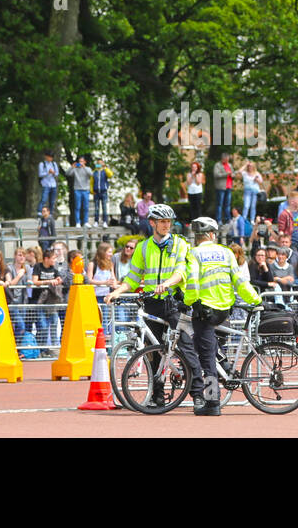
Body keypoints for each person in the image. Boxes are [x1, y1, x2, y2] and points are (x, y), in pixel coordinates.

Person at [105, 204, 202, 405]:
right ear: (152, 223)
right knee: (154, 351)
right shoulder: (143, 247)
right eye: (163, 222)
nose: (167, 225)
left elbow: (181, 271)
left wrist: (166, 284)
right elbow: (133, 278)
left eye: (169, 221)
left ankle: (199, 394)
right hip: (152, 304)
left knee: (185, 347)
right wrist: (117, 291)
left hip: (174, 303)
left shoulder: (180, 244)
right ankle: (157, 396)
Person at [182, 217, 263, 416]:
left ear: (197, 236)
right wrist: (255, 300)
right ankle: (226, 366)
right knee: (213, 349)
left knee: (207, 359)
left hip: (205, 311)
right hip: (224, 310)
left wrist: (188, 301)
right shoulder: (226, 252)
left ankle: (212, 402)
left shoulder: (194, 254)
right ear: (212, 235)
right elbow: (240, 281)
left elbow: (192, 282)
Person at [68, 154, 92, 228]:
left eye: (82, 161)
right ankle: (78, 222)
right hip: (77, 189)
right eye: (79, 161)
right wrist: (72, 167)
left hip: (85, 190)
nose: (80, 163)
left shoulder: (88, 168)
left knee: (86, 207)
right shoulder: (75, 169)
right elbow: (68, 174)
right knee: (77, 207)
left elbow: (91, 174)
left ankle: (86, 222)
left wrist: (84, 167)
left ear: (85, 162)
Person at [212, 154, 235, 224]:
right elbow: (216, 175)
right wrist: (226, 174)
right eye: (226, 159)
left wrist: (232, 175)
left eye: (228, 160)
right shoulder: (217, 165)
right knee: (219, 204)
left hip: (229, 187)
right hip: (221, 187)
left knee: (227, 205)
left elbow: (233, 174)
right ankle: (218, 220)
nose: (227, 161)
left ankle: (228, 219)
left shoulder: (230, 165)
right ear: (223, 159)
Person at [91, 159, 112, 227]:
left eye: (101, 163)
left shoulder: (105, 171)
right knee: (96, 208)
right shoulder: (94, 172)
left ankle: (105, 221)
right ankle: (96, 221)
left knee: (104, 207)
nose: (99, 164)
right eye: (98, 163)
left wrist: (105, 167)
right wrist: (91, 191)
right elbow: (91, 182)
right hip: (96, 192)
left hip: (103, 191)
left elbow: (110, 175)